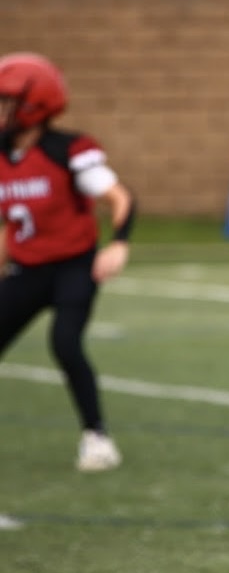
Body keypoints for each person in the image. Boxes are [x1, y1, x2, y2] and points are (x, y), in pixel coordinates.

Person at [0, 53, 137, 473]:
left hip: (73, 266)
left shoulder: (68, 150)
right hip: (28, 267)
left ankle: (96, 436)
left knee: (65, 342)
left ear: (32, 106)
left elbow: (119, 198)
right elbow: (10, 223)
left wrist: (118, 244)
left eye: (6, 101)